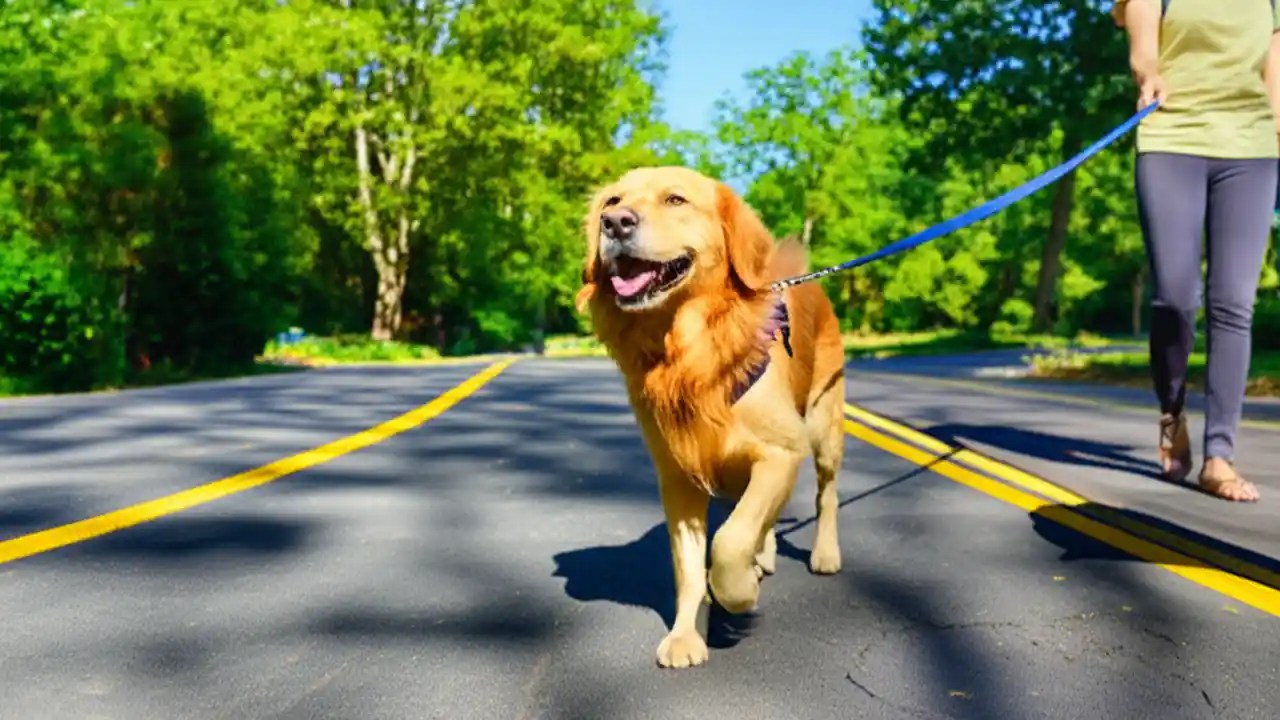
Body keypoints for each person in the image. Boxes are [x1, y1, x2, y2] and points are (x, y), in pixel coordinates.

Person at [1113, 0, 1280, 502]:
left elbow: (1274, 59)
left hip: (1250, 148)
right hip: (1171, 135)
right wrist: (1148, 70)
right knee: (1175, 296)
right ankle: (1172, 410)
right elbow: (1138, 28)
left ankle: (1219, 457)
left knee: (1234, 303)